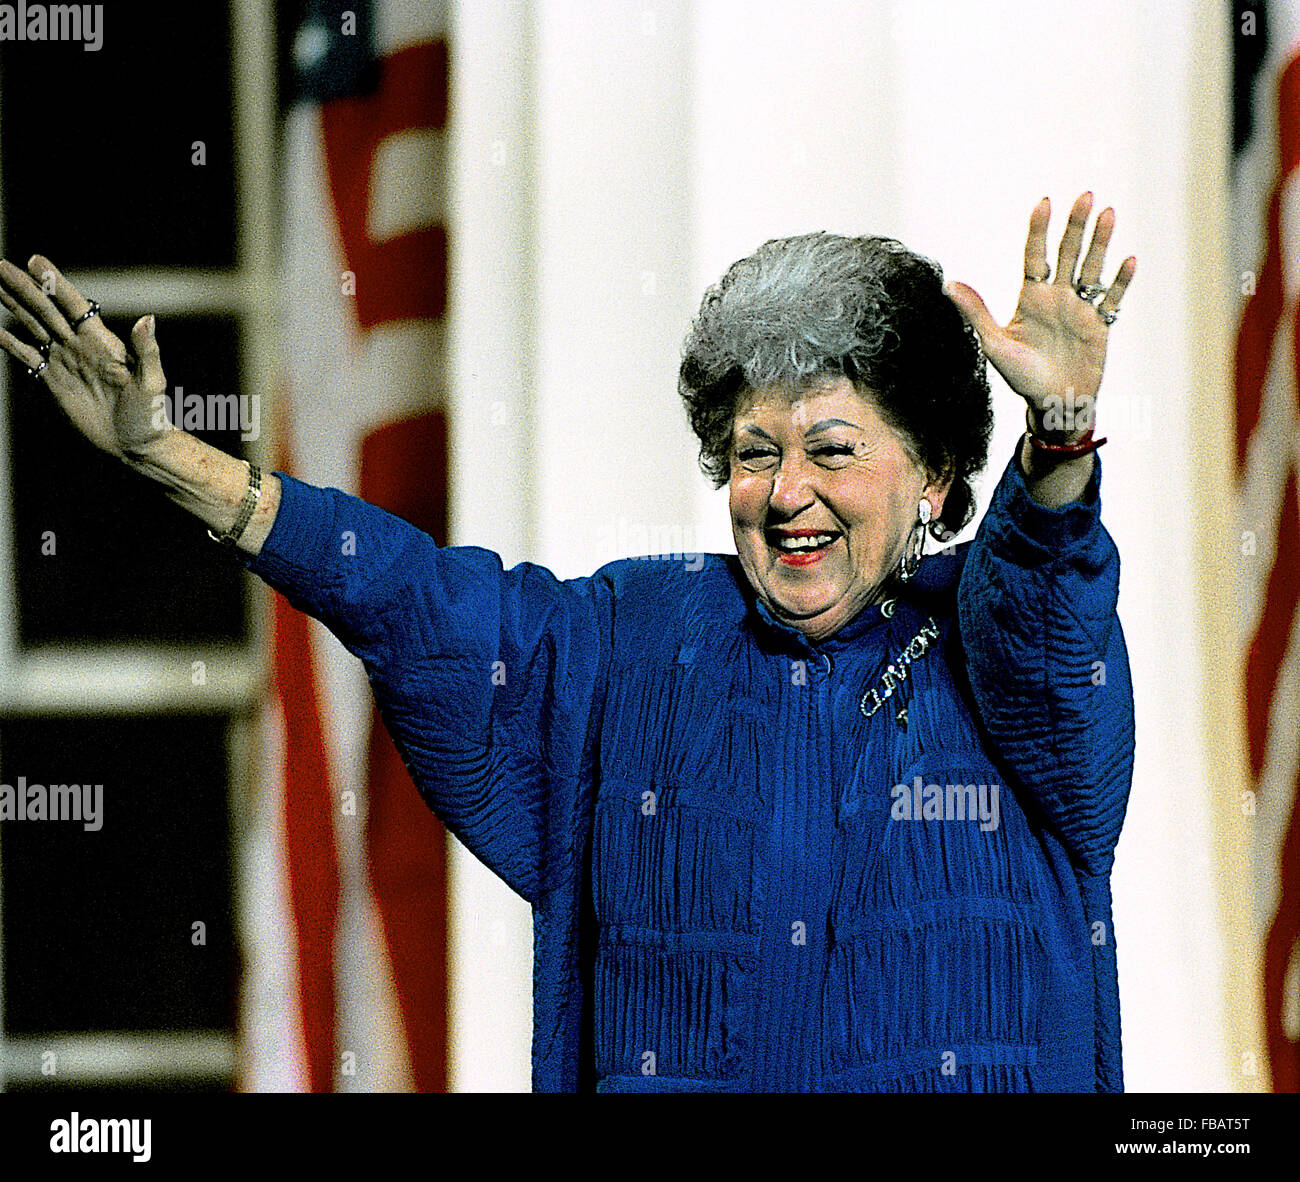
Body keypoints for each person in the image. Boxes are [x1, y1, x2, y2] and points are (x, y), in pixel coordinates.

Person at [0, 191, 1137, 1092]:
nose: (786, 492)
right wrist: (175, 457)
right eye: (752, 451)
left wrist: (1061, 437)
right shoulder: (632, 643)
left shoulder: (1001, 656)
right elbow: (409, 598)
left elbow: (1045, 592)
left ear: (934, 474)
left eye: (833, 449)